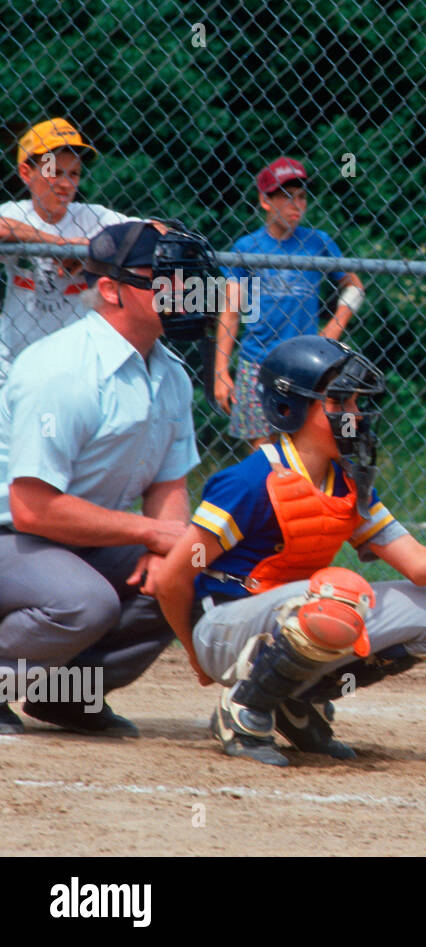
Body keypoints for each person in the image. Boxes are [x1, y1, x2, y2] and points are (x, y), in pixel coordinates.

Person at [152, 335, 426, 767]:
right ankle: (243, 711)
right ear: (291, 407)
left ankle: (292, 701)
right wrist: (196, 653)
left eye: (354, 403)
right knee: (339, 594)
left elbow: (422, 566)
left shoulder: (348, 485)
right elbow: (171, 578)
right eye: (338, 402)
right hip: (222, 628)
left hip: (288, 617)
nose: (354, 414)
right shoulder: (250, 482)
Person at [0, 219, 217, 737]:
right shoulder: (62, 369)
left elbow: (167, 489)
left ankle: (68, 699)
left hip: (81, 542)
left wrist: (167, 548)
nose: (183, 290)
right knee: (84, 602)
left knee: (189, 570)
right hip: (14, 536)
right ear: (110, 289)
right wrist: (145, 533)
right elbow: (32, 509)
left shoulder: (171, 375)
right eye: (163, 277)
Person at [213, 157, 365, 445]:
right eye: (286, 196)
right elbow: (231, 311)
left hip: (307, 366)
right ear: (265, 201)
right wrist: (221, 371)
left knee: (306, 450)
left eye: (302, 197)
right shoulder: (247, 248)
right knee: (264, 459)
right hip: (259, 362)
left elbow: (355, 285)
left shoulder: (317, 242)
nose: (297, 204)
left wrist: (335, 327)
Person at [0, 118, 132, 383]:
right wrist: (56, 243)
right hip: (14, 363)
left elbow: (156, 234)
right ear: (26, 173)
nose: (66, 184)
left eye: (73, 174)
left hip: (77, 368)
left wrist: (94, 251)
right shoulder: (15, 213)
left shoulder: (91, 218)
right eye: (54, 172)